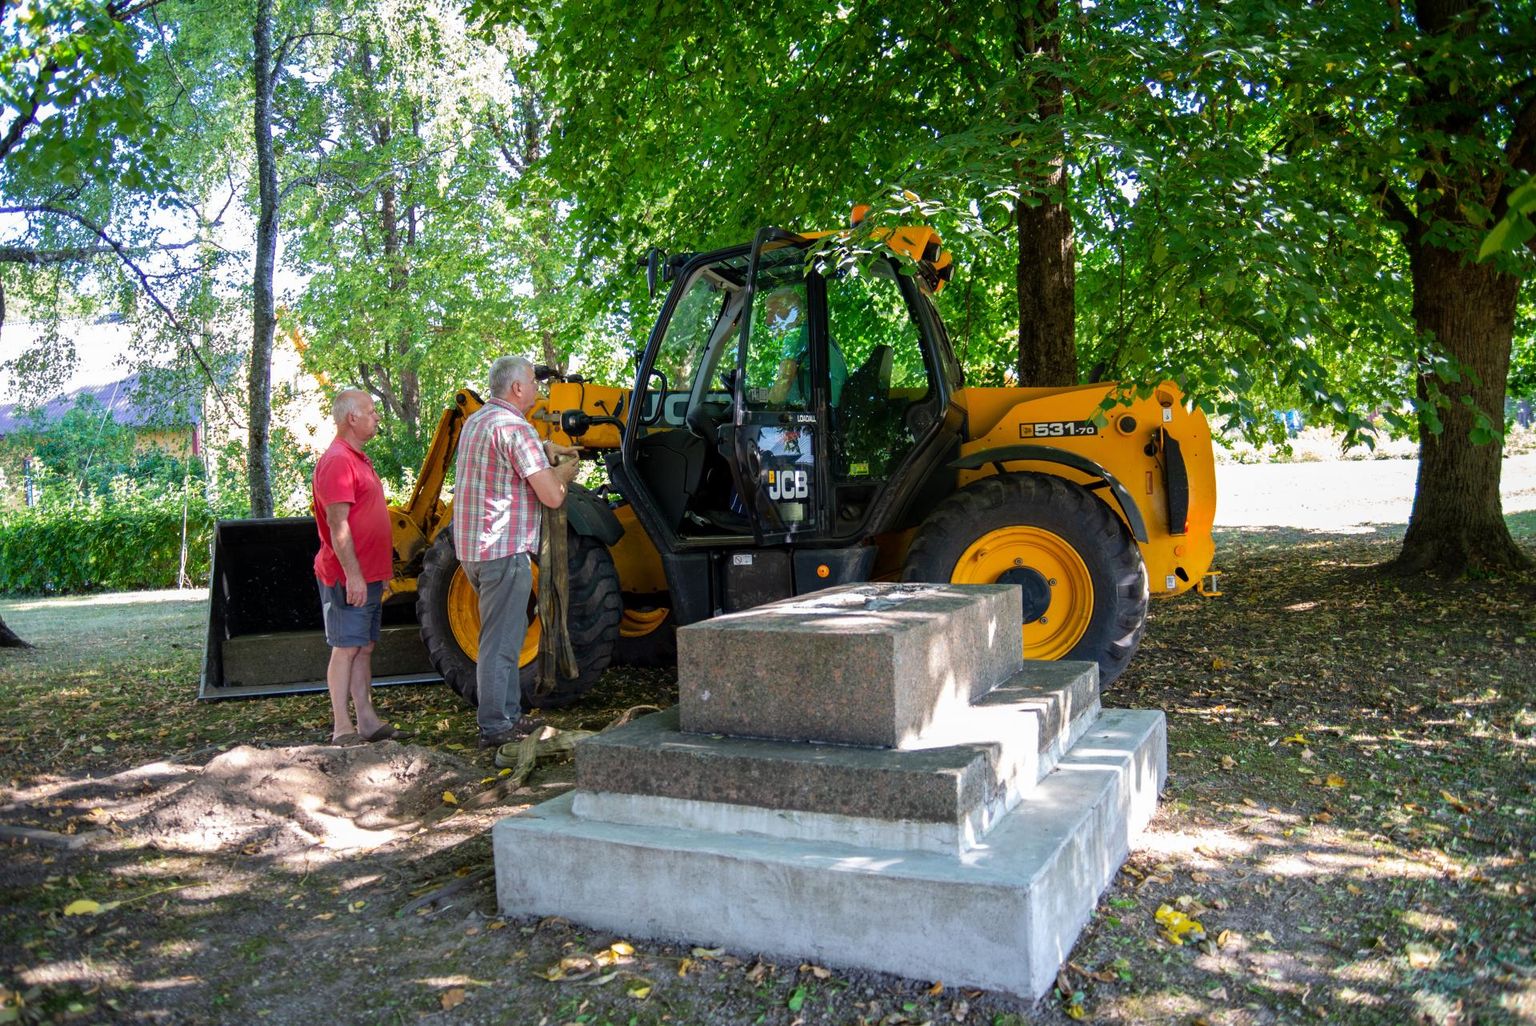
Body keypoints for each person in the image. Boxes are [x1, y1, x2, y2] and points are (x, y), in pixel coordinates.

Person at [453, 356, 581, 748]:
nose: (537, 389)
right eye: (533, 382)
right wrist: (564, 473)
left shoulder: (478, 422)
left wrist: (541, 448)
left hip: (474, 552)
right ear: (517, 388)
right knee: (501, 643)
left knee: (502, 636)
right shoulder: (516, 428)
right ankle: (495, 726)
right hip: (504, 552)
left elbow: (501, 462)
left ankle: (509, 715)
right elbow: (552, 497)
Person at [312, 389, 400, 746]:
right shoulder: (337, 461)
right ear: (352, 418)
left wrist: (377, 574)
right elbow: (338, 524)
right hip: (347, 576)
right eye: (371, 411)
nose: (376, 416)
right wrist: (354, 576)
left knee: (363, 647)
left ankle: (367, 722)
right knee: (346, 647)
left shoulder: (357, 458)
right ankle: (342, 728)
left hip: (369, 575)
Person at [764, 286, 846, 406]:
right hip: (835, 411)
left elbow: (784, 381)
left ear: (791, 311)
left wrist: (768, 407)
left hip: (819, 413)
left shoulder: (795, 336)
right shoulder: (820, 336)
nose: (767, 321)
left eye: (772, 313)